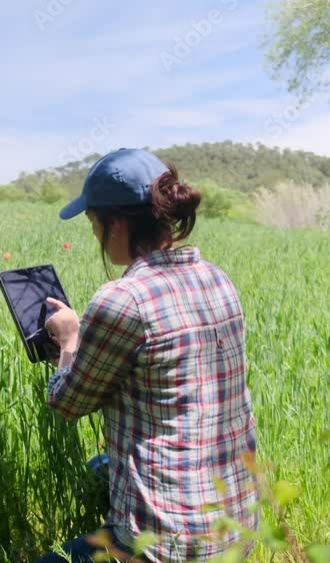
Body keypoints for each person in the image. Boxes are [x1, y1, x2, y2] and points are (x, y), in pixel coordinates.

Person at [37, 148, 259, 562]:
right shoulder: (216, 278)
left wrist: (69, 342)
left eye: (92, 223)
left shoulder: (123, 298)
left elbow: (67, 402)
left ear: (116, 224)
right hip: (237, 522)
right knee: (97, 467)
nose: (94, 234)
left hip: (171, 545)